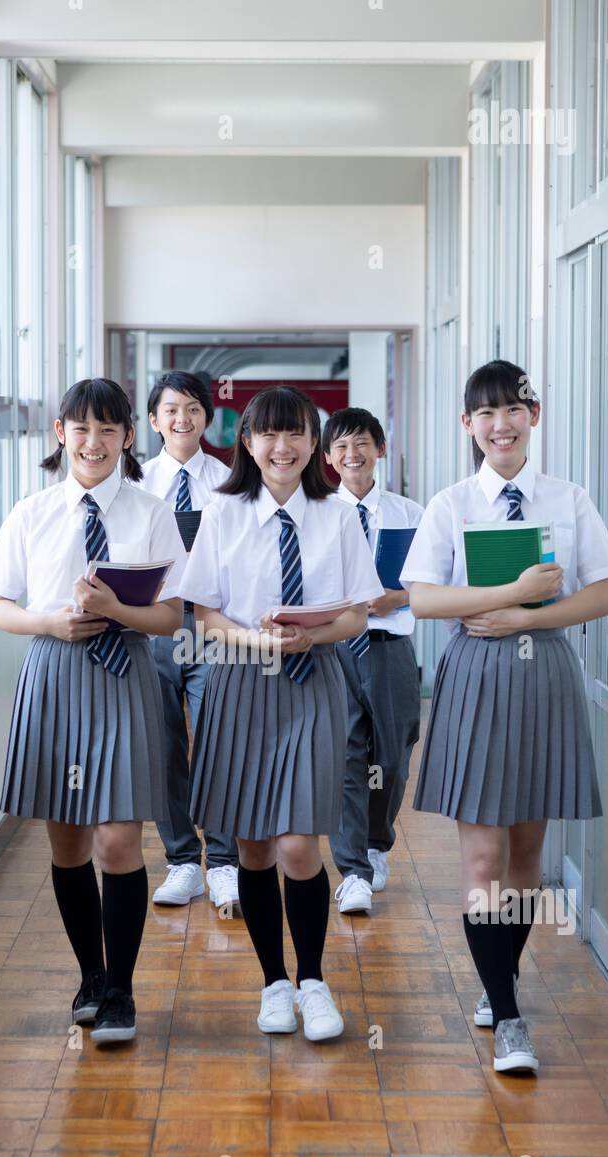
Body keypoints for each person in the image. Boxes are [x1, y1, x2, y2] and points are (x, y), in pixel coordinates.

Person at [400, 360, 608, 1074]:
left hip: (546, 674)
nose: (502, 423)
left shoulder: (568, 498)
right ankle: (509, 1016)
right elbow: (425, 599)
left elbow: (604, 597)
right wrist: (502, 596)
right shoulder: (450, 503)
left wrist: (529, 607)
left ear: (534, 416)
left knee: (526, 858)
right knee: (481, 857)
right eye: (486, 413)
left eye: (514, 409)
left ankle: (502, 981)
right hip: (475, 675)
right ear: (467, 425)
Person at [0, 379, 186, 1045]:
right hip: (55, 673)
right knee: (67, 840)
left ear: (129, 437)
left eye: (109, 430)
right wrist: (50, 623)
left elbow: (171, 616)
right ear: (60, 433)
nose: (94, 442)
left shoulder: (151, 512)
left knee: (118, 838)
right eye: (81, 428)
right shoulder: (32, 512)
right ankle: (89, 976)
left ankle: (122, 989)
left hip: (122, 675)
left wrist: (114, 611)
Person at [180, 385, 382, 1040]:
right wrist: (257, 639)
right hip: (240, 681)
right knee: (254, 846)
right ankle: (273, 983)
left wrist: (311, 636)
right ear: (247, 441)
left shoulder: (336, 515)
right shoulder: (223, 511)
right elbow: (205, 614)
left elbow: (357, 611)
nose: (283, 446)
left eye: (296, 433)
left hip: (312, 679)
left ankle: (315, 982)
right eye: (269, 434)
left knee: (300, 845)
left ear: (313, 444)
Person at [138, 371, 239, 913]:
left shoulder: (228, 482)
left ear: (208, 416)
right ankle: (182, 860)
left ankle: (223, 862)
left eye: (194, 408)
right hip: (153, 624)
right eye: (171, 409)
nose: (183, 418)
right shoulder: (135, 483)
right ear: (153, 420)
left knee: (217, 740)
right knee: (164, 745)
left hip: (210, 626)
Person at [323, 407, 424, 915]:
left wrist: (396, 597)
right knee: (345, 755)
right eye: (341, 447)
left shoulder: (412, 513)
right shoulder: (320, 513)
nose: (352, 454)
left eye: (361, 443)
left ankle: (375, 844)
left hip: (389, 647)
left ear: (379, 448)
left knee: (392, 753)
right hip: (338, 646)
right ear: (328, 458)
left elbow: (432, 583)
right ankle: (353, 871)